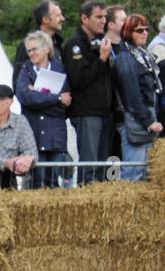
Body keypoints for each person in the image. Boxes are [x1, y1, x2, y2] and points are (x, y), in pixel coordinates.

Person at [65, 2, 115, 182]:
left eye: (105, 17)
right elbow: (79, 80)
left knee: (105, 167)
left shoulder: (103, 42)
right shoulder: (74, 45)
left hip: (106, 113)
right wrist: (101, 59)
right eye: (98, 17)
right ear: (85, 19)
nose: (103, 21)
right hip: (87, 113)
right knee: (90, 168)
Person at [18, 32, 74, 187]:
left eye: (34, 49)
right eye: (29, 50)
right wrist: (55, 98)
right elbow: (25, 98)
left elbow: (66, 103)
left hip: (55, 135)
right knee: (36, 183)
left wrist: (37, 94)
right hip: (34, 136)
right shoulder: (25, 71)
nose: (31, 53)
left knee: (53, 183)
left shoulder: (60, 69)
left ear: (46, 49)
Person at [114, 13, 163, 178]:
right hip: (134, 119)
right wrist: (149, 122)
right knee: (133, 173)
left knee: (145, 173)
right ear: (128, 33)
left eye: (146, 29)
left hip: (145, 115)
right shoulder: (125, 58)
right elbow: (131, 95)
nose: (145, 33)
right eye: (139, 30)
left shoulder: (141, 54)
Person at [14, 1, 67, 83]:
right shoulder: (26, 45)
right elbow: (17, 82)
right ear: (45, 19)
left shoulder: (57, 44)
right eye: (58, 15)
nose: (62, 18)